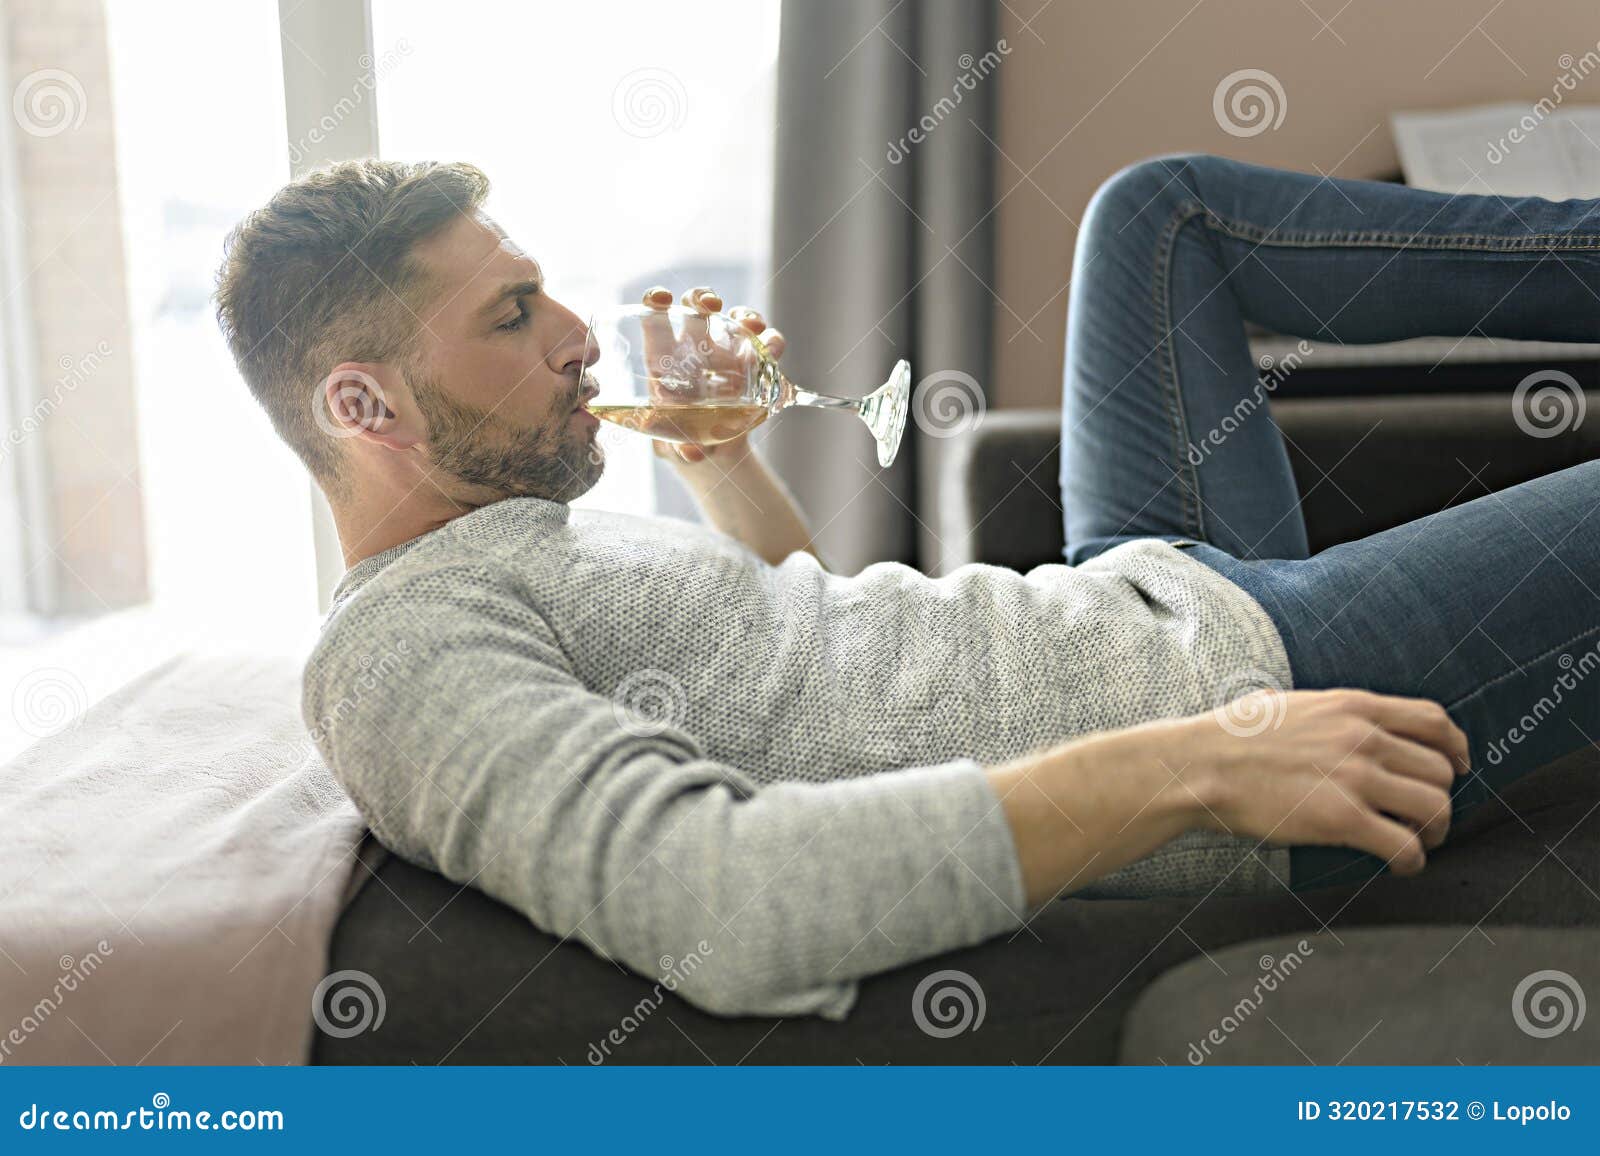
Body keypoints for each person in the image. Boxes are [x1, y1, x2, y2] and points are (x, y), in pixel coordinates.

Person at [215, 155, 1594, 1019]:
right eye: (512, 318)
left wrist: (719, 463)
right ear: (362, 404)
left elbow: (797, 652)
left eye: (543, 291)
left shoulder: (514, 526)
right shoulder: (403, 658)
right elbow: (725, 902)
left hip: (1123, 600)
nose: (581, 336)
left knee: (1160, 217)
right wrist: (1196, 760)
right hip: (1228, 684)